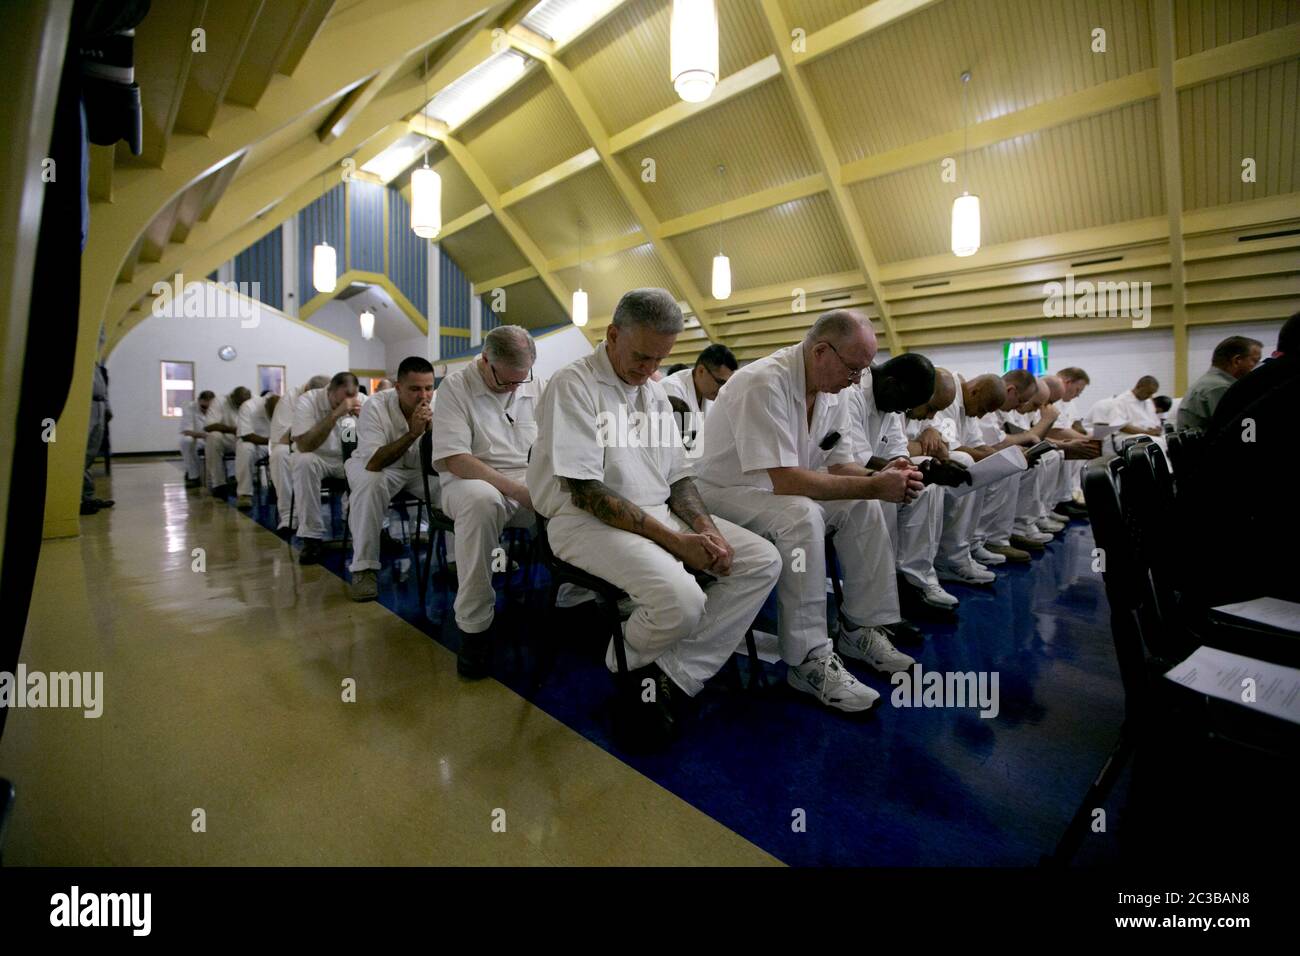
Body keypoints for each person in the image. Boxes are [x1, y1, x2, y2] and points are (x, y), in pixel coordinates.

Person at [526, 288, 781, 746]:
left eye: (659, 359)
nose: (648, 370)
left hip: (653, 511)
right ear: (611, 335)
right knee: (683, 600)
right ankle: (624, 662)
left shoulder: (655, 393)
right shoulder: (574, 385)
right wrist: (675, 542)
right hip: (580, 520)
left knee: (761, 560)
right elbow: (586, 493)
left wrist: (705, 530)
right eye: (641, 356)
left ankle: (670, 671)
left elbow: (679, 478)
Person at [694, 309, 925, 714]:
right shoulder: (763, 383)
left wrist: (882, 475)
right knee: (801, 514)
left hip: (772, 493)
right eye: (853, 370)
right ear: (821, 351)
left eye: (862, 372)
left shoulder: (837, 390)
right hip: (721, 493)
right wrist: (873, 484)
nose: (857, 381)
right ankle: (808, 659)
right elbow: (786, 481)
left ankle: (860, 627)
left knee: (860, 504)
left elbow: (840, 466)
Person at [432, 326, 544, 677]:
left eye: (520, 381)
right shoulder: (455, 387)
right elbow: (456, 459)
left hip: (525, 480)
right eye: (507, 381)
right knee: (483, 503)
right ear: (484, 361)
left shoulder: (532, 384)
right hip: (468, 482)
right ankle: (474, 626)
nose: (515, 388)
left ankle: (574, 597)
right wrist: (517, 490)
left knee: (579, 500)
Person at [846, 353, 962, 611]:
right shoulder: (852, 394)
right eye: (904, 406)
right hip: (843, 476)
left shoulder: (891, 397)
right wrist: (907, 469)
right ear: (890, 384)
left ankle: (913, 578)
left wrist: (922, 471)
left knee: (922, 487)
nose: (902, 412)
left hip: (870, 472)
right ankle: (883, 596)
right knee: (887, 493)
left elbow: (898, 451)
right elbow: (856, 460)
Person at [345, 358, 435, 601]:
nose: (423, 395)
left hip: (416, 469)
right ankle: (364, 568)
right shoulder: (375, 406)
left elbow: (442, 459)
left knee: (455, 485)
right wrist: (413, 433)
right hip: (376, 466)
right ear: (398, 387)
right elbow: (374, 462)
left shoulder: (440, 405)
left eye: (428, 387)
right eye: (415, 389)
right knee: (370, 483)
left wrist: (432, 432)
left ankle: (458, 560)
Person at [292, 372, 365, 565]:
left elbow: (361, 443)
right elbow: (305, 445)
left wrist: (363, 419)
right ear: (329, 391)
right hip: (318, 458)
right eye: (342, 399)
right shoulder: (308, 401)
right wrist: (335, 414)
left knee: (371, 466)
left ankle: (378, 531)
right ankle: (312, 538)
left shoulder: (362, 401)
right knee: (304, 461)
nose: (348, 402)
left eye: (352, 397)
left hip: (346, 458)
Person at [268, 375, 329, 539]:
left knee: (359, 462)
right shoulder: (291, 399)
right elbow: (282, 438)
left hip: (335, 455)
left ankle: (357, 517)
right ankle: (293, 520)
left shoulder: (340, 400)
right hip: (304, 450)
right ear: (306, 391)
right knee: (282, 454)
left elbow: (349, 436)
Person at [660, 344, 737, 452]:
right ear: (701, 371)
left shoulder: (709, 394)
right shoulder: (671, 389)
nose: (722, 389)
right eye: (720, 382)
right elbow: (679, 446)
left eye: (726, 385)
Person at [1176, 335, 1262, 431]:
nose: (1257, 366)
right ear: (1237, 361)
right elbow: (1238, 430)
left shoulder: (1210, 383)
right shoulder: (1220, 388)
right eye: (1255, 361)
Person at [203, 387, 251, 498]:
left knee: (249, 446)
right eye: (239, 404)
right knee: (213, 437)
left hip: (247, 437)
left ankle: (245, 484)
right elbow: (209, 426)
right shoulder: (219, 402)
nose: (241, 407)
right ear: (232, 397)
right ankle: (219, 484)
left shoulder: (253, 402)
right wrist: (234, 430)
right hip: (228, 437)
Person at [234, 392, 278, 510]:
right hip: (256, 443)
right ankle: (244, 494)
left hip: (276, 443)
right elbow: (246, 435)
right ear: (265, 406)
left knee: (286, 451)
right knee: (245, 448)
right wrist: (273, 442)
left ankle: (284, 491)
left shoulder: (286, 407)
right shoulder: (248, 407)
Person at [81, 360, 114, 515]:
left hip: (99, 406)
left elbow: (104, 389)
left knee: (90, 453)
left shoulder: (95, 363)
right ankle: (80, 499)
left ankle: (87, 496)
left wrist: (107, 407)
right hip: (86, 404)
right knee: (81, 453)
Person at [179, 390, 215, 489]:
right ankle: (193, 476)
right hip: (197, 438)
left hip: (212, 438)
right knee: (186, 441)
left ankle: (230, 476)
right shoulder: (190, 408)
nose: (206, 410)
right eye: (203, 407)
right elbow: (186, 431)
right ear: (199, 401)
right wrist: (204, 435)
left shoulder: (217, 408)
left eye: (209, 407)